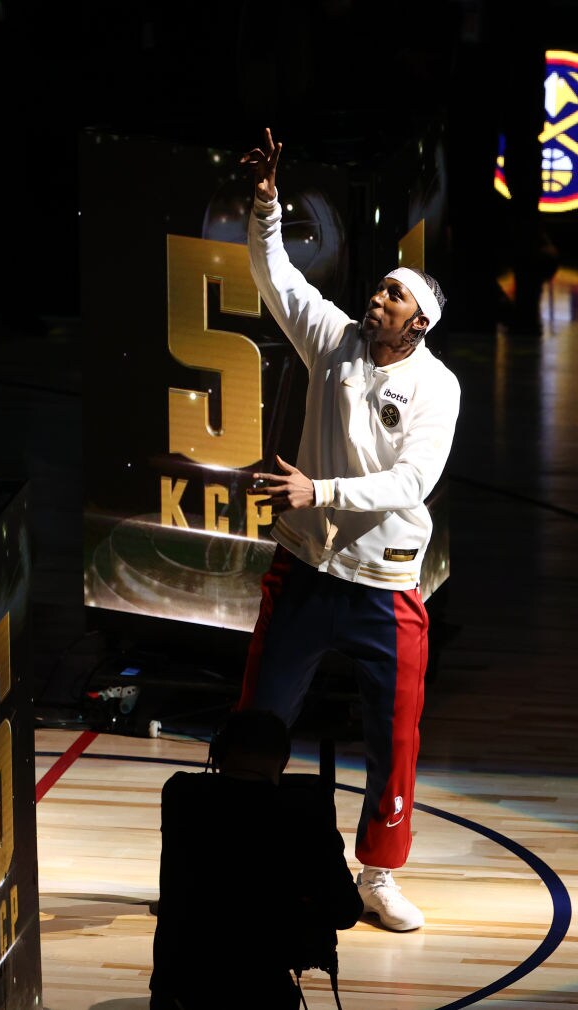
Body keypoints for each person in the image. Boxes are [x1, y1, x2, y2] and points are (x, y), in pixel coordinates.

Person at [235, 129, 461, 931]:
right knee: (260, 714)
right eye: (380, 288)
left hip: (382, 582)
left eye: (396, 296)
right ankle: (239, 854)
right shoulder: (334, 341)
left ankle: (377, 875)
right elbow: (277, 277)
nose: (379, 298)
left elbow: (411, 484)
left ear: (421, 321)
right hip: (305, 569)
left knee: (394, 730)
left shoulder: (437, 388)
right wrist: (267, 203)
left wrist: (316, 487)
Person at [149, 709, 362, 1010]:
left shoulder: (181, 794)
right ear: (284, 761)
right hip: (261, 994)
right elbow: (345, 912)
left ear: (219, 755)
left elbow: (233, 800)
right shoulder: (303, 812)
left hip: (178, 989)